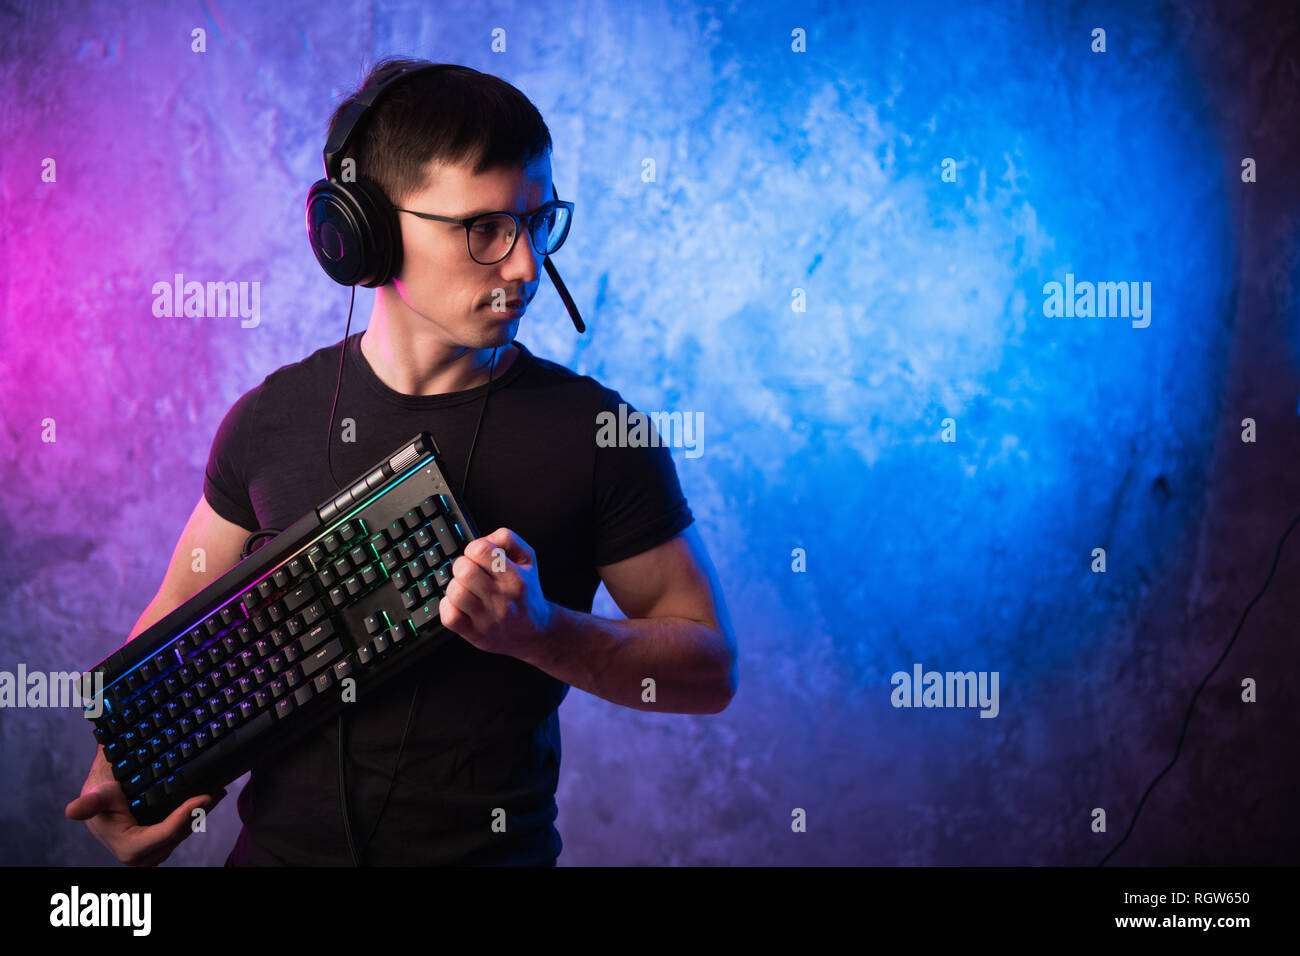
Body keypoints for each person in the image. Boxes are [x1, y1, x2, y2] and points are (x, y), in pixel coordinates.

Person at [65, 58, 737, 866]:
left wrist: (543, 632)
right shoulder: (268, 419)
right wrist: (122, 762)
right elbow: (175, 616)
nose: (525, 266)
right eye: (484, 228)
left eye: (539, 220)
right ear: (367, 233)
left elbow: (708, 669)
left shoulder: (598, 432)